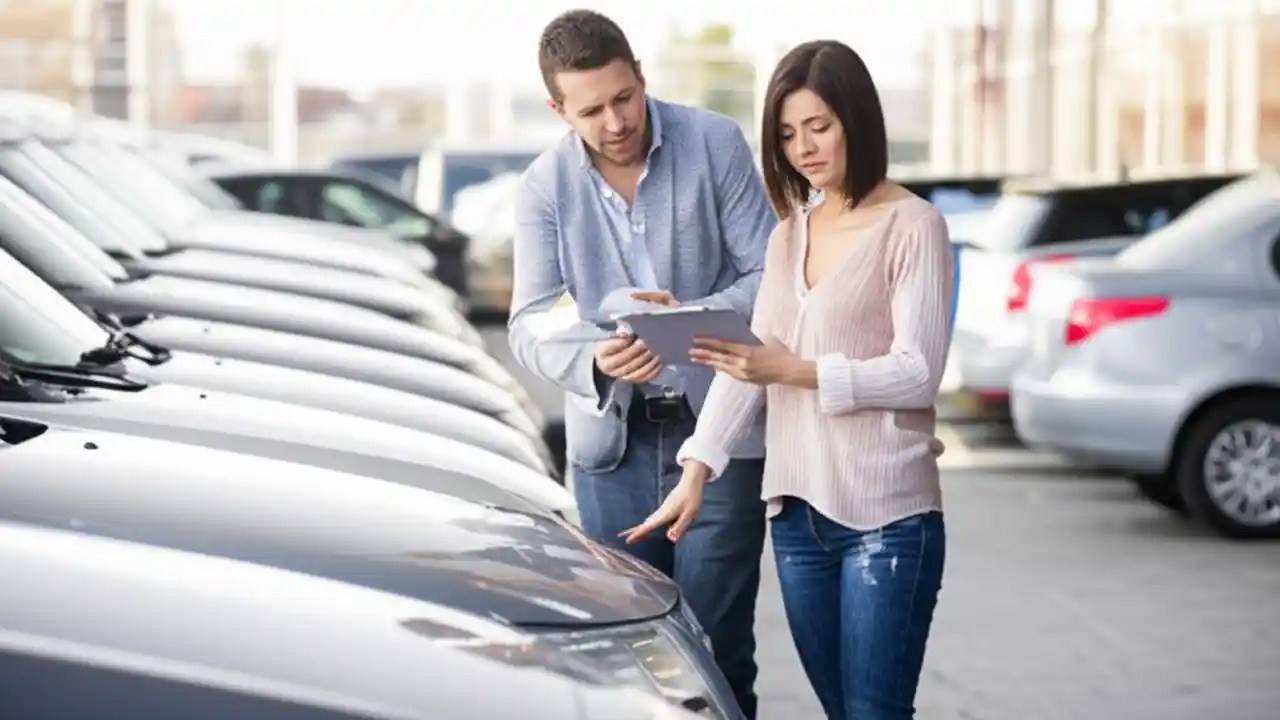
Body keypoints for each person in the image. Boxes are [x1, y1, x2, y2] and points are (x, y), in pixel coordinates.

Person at [623, 40, 954, 720]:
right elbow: (752, 363)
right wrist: (697, 469)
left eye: (819, 125)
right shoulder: (788, 235)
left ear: (856, 120)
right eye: (786, 132)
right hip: (797, 516)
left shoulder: (913, 225)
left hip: (887, 521)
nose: (803, 147)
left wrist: (796, 372)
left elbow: (918, 373)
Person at [506, 10, 777, 718]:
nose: (616, 121)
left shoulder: (714, 142)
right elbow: (529, 320)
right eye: (591, 110)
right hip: (613, 456)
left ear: (641, 78)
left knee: (716, 649)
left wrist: (689, 317)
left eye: (624, 98)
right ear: (557, 109)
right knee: (624, 660)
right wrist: (593, 356)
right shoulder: (542, 186)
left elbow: (769, 272)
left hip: (718, 436)